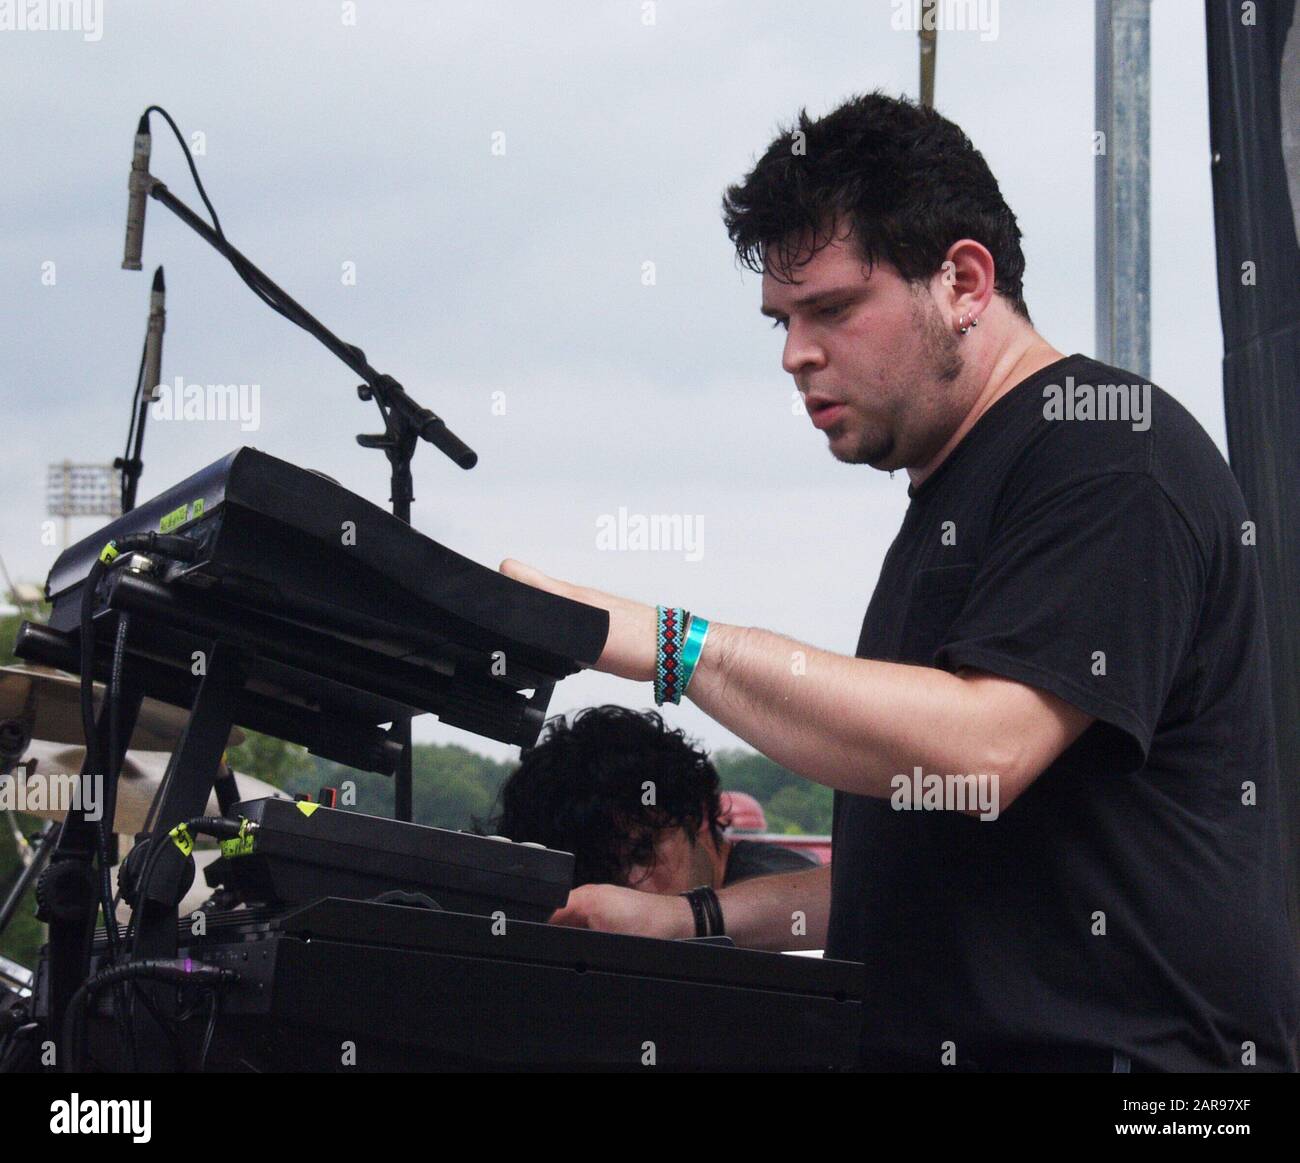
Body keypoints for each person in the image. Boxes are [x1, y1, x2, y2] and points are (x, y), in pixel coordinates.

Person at [499, 92, 1300, 1072]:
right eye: (782, 319)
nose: (796, 352)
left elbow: (984, 751)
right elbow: (910, 878)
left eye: (832, 308)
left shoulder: (1107, 454)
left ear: (963, 279)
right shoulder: (952, 498)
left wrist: (665, 642)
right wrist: (685, 919)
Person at [487, 705, 817, 900]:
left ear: (697, 814)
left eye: (644, 852)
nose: (628, 888)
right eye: (600, 869)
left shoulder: (790, 908)